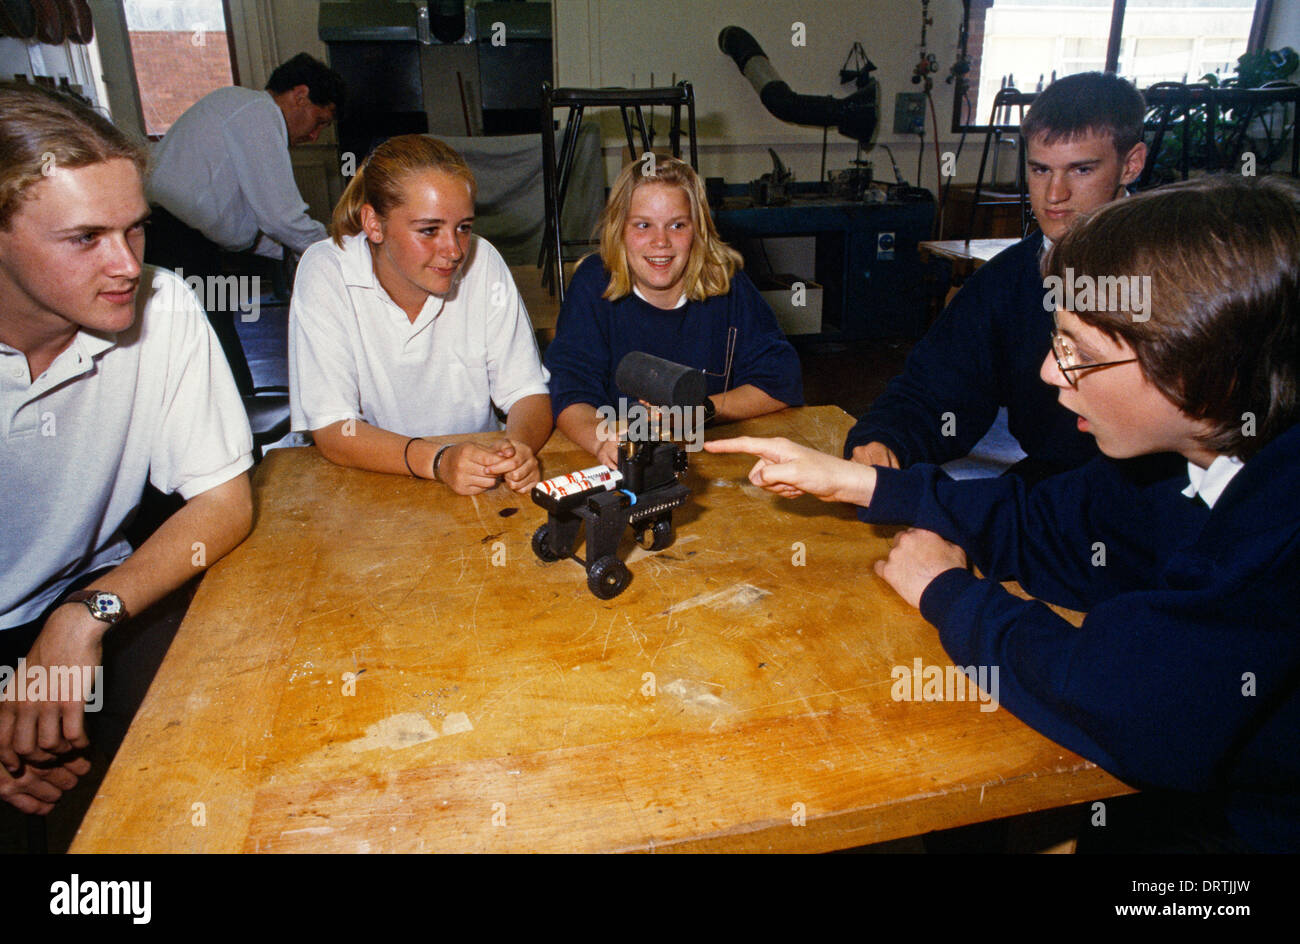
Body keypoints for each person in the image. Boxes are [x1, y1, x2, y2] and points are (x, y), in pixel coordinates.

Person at [708, 174, 1300, 853]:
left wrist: (949, 595)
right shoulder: (1174, 464)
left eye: (1081, 354)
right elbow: (1044, 526)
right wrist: (864, 483)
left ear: (1198, 373)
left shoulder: (1279, 527)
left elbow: (1136, 708)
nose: (1051, 373)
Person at [0, 83, 254, 815]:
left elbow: (223, 499)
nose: (126, 265)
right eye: (85, 238)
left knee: (223, 733)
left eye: (135, 230)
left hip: (93, 593)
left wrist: (86, 614)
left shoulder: (163, 303)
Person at [844, 72, 1148, 484]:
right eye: (1040, 170)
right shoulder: (1005, 281)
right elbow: (938, 390)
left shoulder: (1180, 274)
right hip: (1055, 486)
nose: (1054, 194)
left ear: (1131, 164)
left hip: (1160, 502)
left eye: (1080, 170)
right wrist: (887, 440)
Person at [289, 135, 552, 494]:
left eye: (463, 227)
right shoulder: (325, 270)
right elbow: (334, 429)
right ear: (373, 224)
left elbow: (527, 392)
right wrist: (440, 461)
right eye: (429, 230)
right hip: (369, 484)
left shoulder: (484, 260)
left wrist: (516, 448)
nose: (455, 250)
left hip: (471, 480)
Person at [544, 156, 804, 468]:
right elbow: (568, 392)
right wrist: (602, 441)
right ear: (619, 229)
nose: (661, 242)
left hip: (711, 458)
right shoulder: (592, 285)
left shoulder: (727, 284)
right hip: (615, 457)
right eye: (643, 225)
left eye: (677, 225)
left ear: (699, 230)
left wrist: (698, 412)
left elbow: (780, 383)